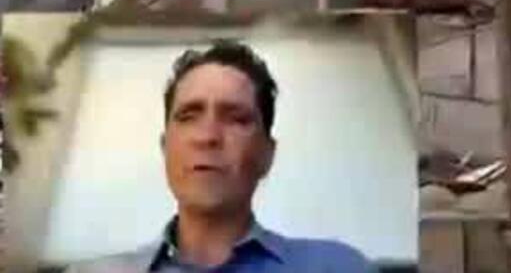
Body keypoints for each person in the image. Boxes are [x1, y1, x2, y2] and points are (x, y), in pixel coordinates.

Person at [67, 40, 375, 273]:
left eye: (236, 118)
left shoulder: (339, 267)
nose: (208, 137)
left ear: (267, 155)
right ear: (165, 148)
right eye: (188, 116)